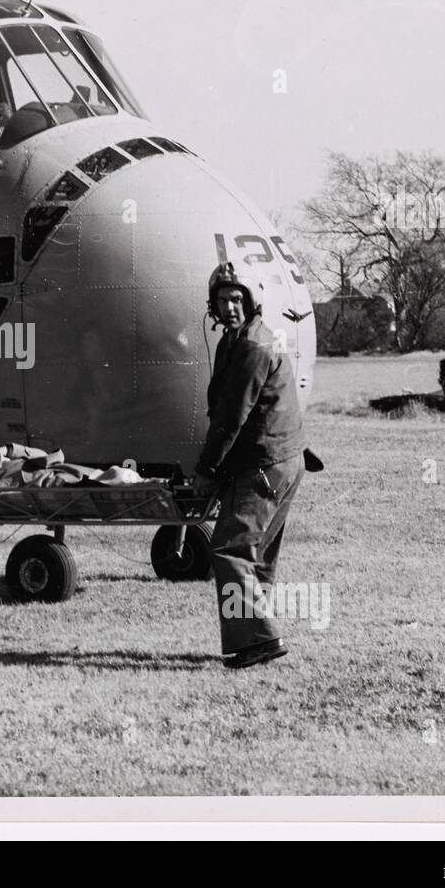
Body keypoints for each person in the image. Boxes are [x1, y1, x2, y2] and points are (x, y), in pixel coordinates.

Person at [192, 261, 307, 669]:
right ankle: (254, 637)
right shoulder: (237, 341)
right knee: (254, 553)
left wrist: (206, 470)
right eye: (223, 300)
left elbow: (230, 418)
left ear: (252, 301)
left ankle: (259, 640)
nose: (230, 307)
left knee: (228, 549)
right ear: (214, 305)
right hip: (280, 461)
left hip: (266, 464)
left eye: (238, 298)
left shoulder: (253, 347)